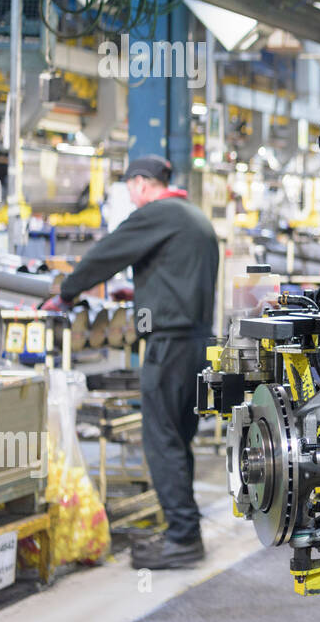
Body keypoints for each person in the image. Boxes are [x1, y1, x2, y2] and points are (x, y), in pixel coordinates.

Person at [42, 155, 219, 569]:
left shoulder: (158, 213)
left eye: (129, 189)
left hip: (168, 345)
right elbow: (177, 279)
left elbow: (108, 253)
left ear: (141, 184)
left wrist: (67, 293)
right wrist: (140, 297)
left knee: (160, 439)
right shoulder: (194, 219)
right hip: (194, 343)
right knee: (177, 437)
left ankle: (182, 537)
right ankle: (183, 528)